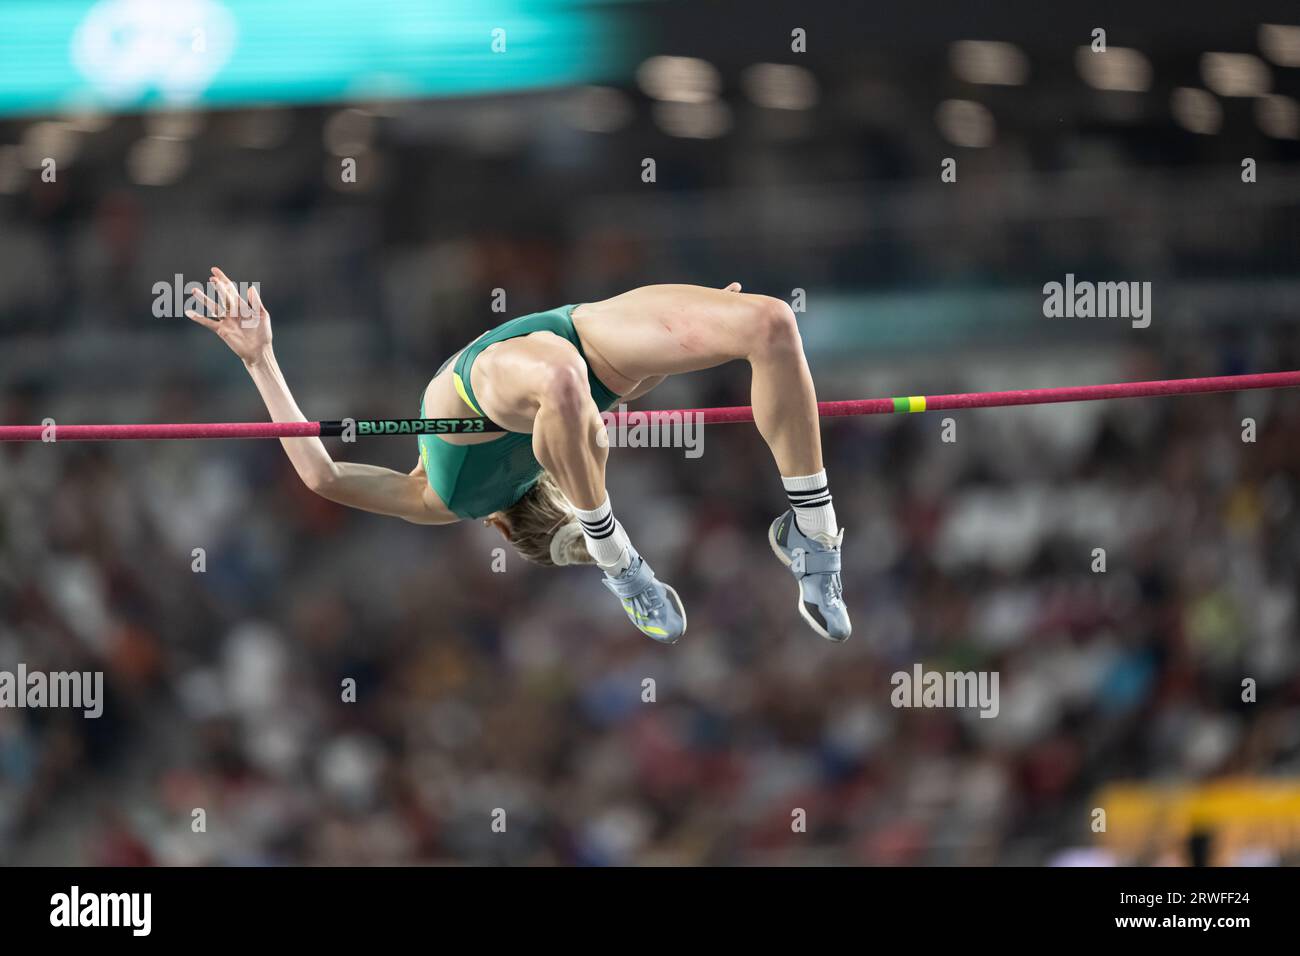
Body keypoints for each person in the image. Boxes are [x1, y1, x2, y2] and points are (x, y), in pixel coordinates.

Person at [189, 267, 849, 645]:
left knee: (764, 326)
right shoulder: (550, 452)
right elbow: (321, 475)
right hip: (569, 359)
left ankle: (645, 554)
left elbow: (322, 475)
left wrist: (260, 359)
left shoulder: (447, 500)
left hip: (553, 358)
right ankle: (780, 537)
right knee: (763, 326)